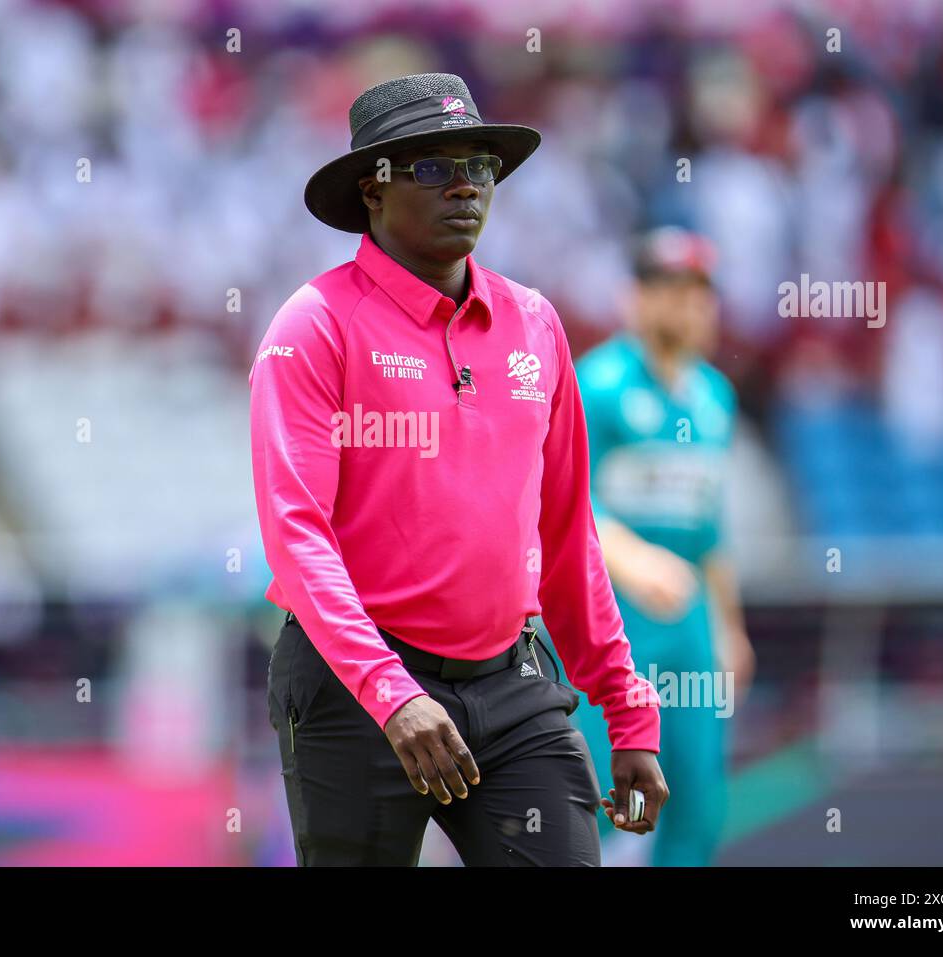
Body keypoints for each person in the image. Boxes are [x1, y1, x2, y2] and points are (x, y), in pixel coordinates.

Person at [248, 73, 668, 866]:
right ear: (373, 189)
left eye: (479, 165)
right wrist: (389, 691)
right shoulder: (314, 327)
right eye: (434, 168)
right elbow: (297, 534)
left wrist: (628, 709)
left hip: (513, 685)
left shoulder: (535, 323)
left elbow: (568, 532)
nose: (467, 186)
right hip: (354, 688)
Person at [563, 226, 755, 866]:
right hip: (608, 620)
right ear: (636, 298)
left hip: (688, 626)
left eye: (698, 291)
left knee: (697, 793)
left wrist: (729, 627)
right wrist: (628, 556)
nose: (686, 305)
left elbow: (711, 528)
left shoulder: (714, 398)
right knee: (607, 794)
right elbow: (564, 497)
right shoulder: (599, 384)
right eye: (668, 289)